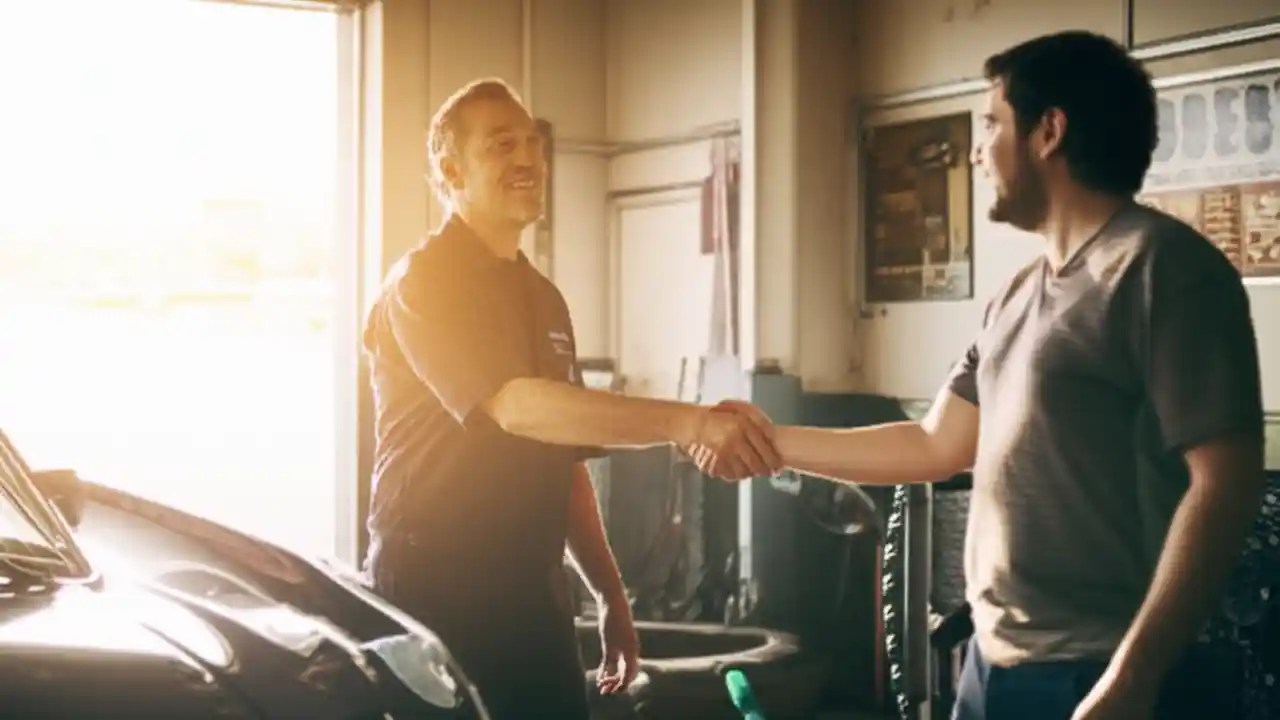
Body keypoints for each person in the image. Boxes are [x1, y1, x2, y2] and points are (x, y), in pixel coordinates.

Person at [701, 31, 1266, 720]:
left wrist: (1135, 672)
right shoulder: (1016, 295)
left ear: (1049, 131)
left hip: (1103, 672)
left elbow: (1225, 482)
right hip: (993, 669)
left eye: (992, 123)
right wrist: (767, 440)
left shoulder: (1162, 271)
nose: (976, 149)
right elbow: (934, 444)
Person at [360, 77, 782, 720]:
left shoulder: (542, 297)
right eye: (503, 145)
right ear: (450, 170)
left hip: (532, 594)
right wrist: (687, 421)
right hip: (432, 587)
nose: (528, 159)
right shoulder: (424, 282)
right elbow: (515, 407)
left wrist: (611, 596)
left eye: (533, 143)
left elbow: (562, 457)